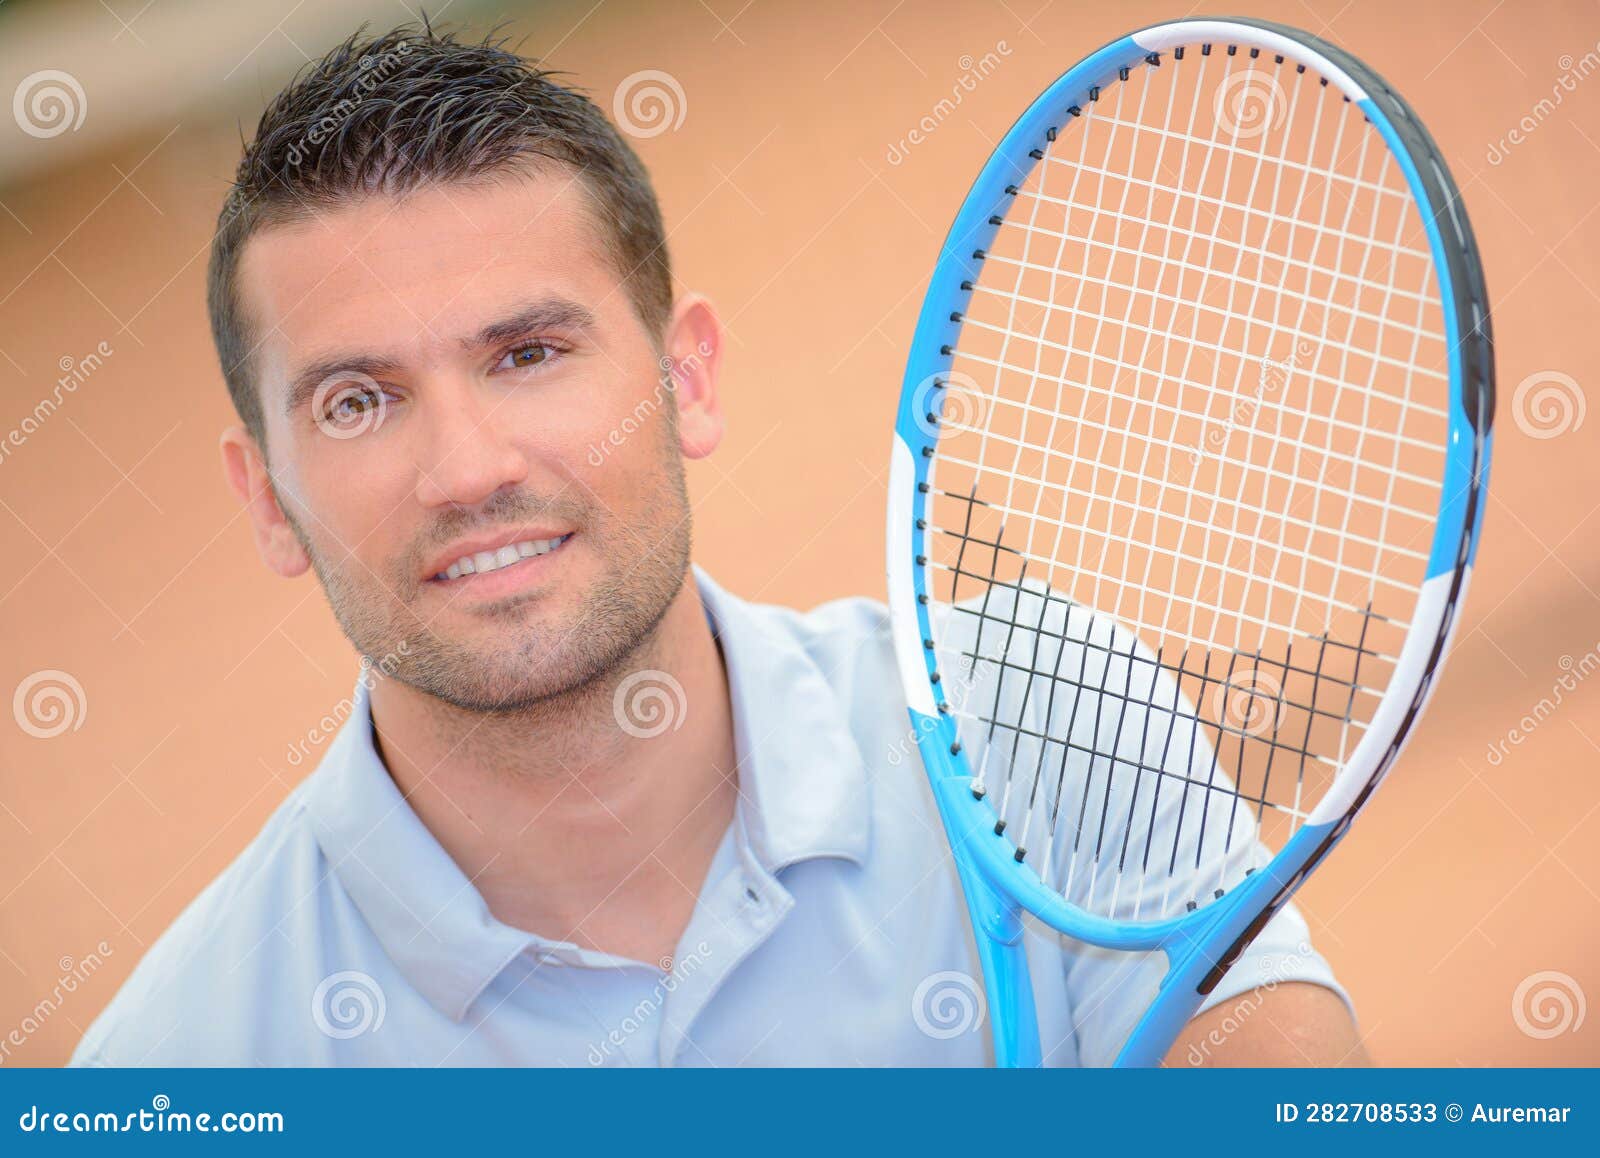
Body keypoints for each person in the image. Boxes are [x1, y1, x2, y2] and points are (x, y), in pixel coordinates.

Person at [71, 21, 1364, 1067]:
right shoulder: (177, 1064)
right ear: (266, 501)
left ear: (685, 378)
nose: (467, 469)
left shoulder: (1037, 708)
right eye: (358, 400)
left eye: (529, 354)